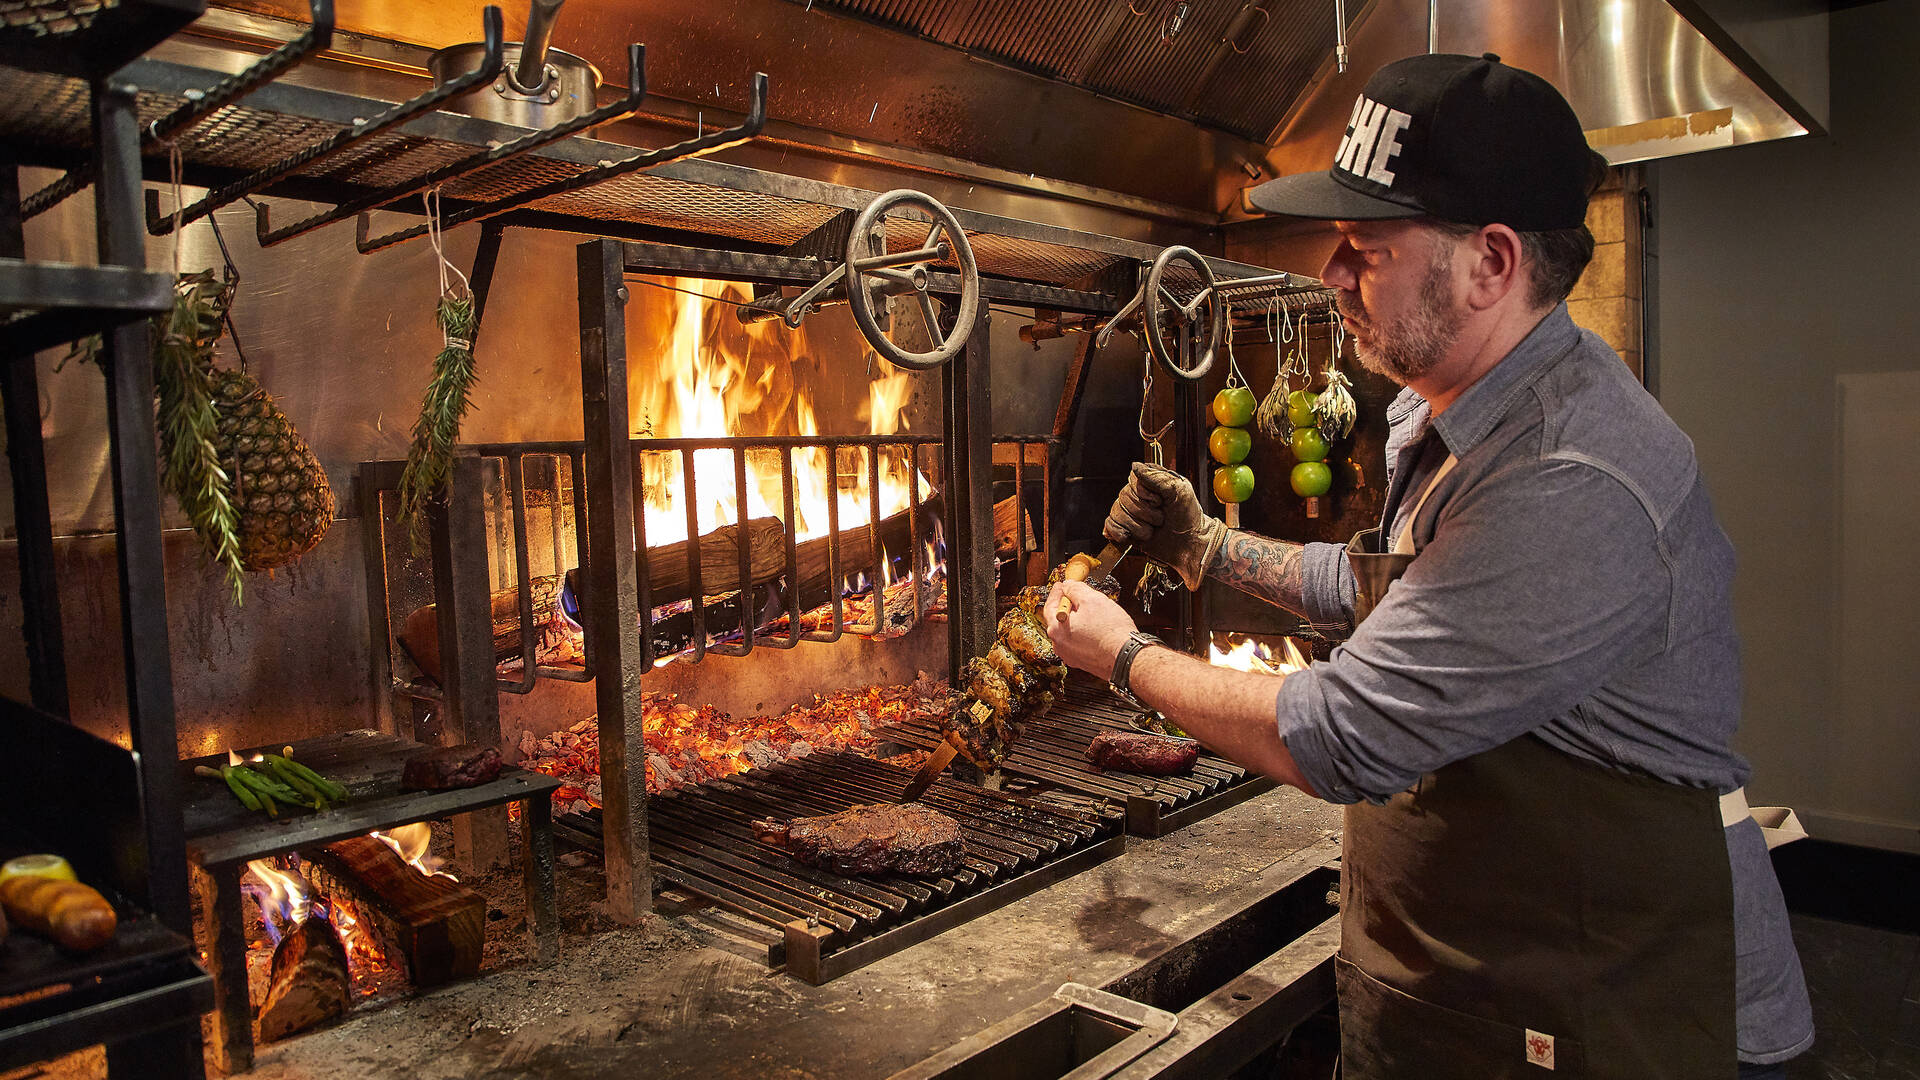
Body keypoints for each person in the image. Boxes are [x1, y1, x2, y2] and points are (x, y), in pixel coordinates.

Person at [1042, 53, 1812, 1080]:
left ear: (1491, 264)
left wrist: (1123, 656)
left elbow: (1343, 736)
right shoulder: (1465, 415)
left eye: (1369, 246)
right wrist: (1206, 546)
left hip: (1616, 1012)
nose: (1332, 274)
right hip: (1514, 984)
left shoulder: (1566, 472)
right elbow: (1393, 593)